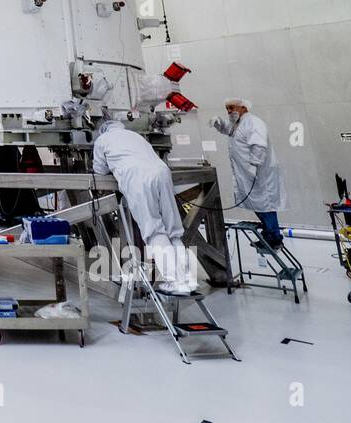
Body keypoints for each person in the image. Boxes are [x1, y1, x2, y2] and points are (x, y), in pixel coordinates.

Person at [92, 119, 196, 293]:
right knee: (173, 230)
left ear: (103, 130)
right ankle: (187, 279)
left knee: (154, 231)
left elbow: (100, 170)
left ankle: (175, 281)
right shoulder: (135, 135)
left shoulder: (102, 140)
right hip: (162, 173)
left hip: (138, 179)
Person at [210, 98, 286, 247]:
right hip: (249, 173)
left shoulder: (253, 122)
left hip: (258, 173)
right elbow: (229, 130)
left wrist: (254, 165)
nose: (229, 111)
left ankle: (274, 237)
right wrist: (218, 122)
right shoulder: (239, 123)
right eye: (227, 109)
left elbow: (259, 144)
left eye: (232, 108)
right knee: (259, 205)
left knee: (265, 205)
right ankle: (268, 234)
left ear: (243, 107)